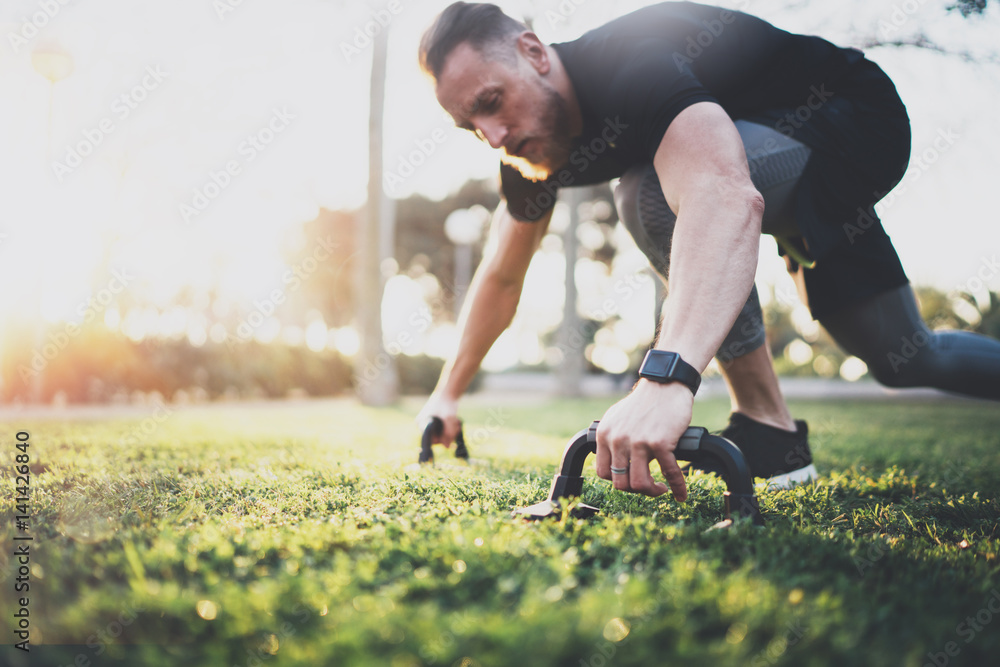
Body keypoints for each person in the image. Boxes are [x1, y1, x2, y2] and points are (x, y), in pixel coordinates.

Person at [415, 1, 1000, 502]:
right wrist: (447, 392)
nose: (491, 135)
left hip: (849, 121)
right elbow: (501, 278)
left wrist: (667, 379)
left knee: (647, 192)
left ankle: (768, 425)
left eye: (492, 101)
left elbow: (720, 193)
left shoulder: (630, 61)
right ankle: (777, 420)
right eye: (471, 125)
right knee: (906, 358)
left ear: (534, 53)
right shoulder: (526, 150)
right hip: (778, 167)